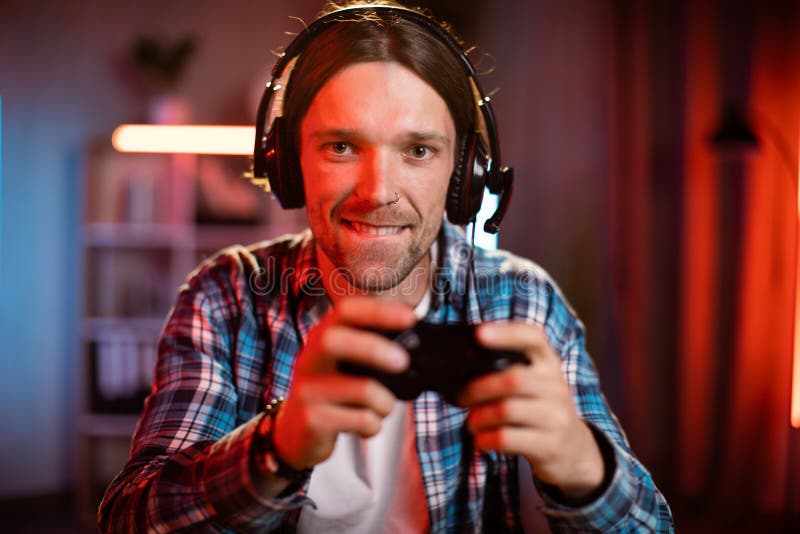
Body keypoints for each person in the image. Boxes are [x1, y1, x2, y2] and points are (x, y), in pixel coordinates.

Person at [99, 2, 673, 532]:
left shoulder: (524, 301)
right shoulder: (224, 298)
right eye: (341, 147)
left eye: (418, 150)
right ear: (289, 163)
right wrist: (276, 448)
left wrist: (581, 462)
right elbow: (131, 520)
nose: (378, 192)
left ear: (465, 175)